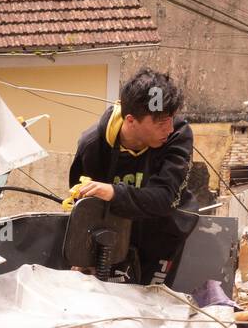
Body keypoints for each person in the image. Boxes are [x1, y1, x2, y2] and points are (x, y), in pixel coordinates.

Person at [67, 68, 199, 285]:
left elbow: (164, 198)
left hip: (164, 233)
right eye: (160, 122)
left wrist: (113, 192)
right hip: (114, 236)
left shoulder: (178, 135)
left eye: (171, 118)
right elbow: (84, 208)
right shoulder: (92, 146)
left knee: (151, 300)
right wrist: (83, 252)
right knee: (108, 299)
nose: (168, 128)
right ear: (130, 120)